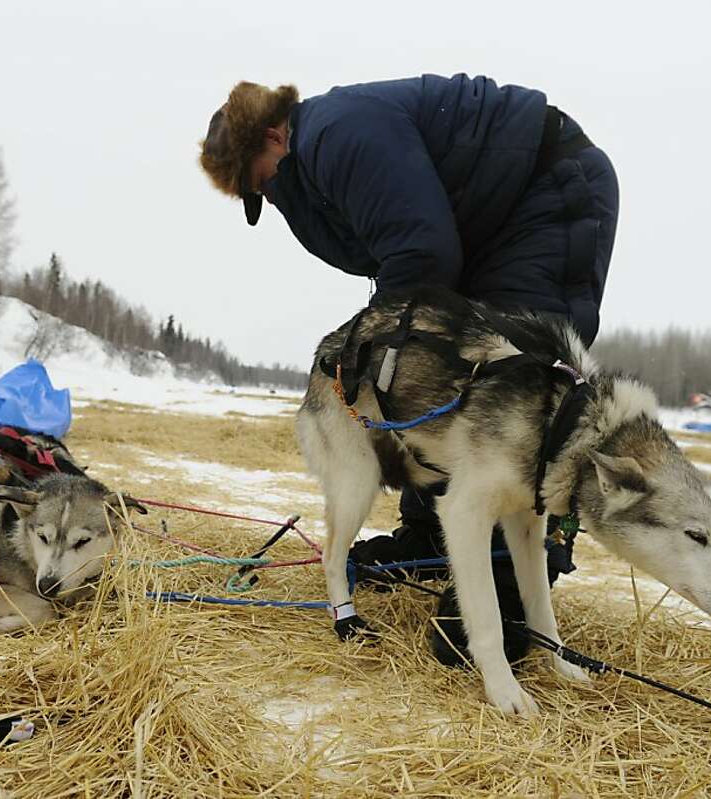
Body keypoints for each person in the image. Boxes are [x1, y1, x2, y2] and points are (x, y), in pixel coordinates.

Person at [198, 74, 618, 659]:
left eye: (264, 180)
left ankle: (509, 576)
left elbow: (421, 253)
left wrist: (373, 345)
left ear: (274, 135)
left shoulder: (337, 134)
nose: (270, 196)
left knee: (515, 385)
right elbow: (408, 250)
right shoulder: (317, 159)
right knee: (440, 381)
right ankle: (429, 536)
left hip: (543, 197)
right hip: (485, 225)